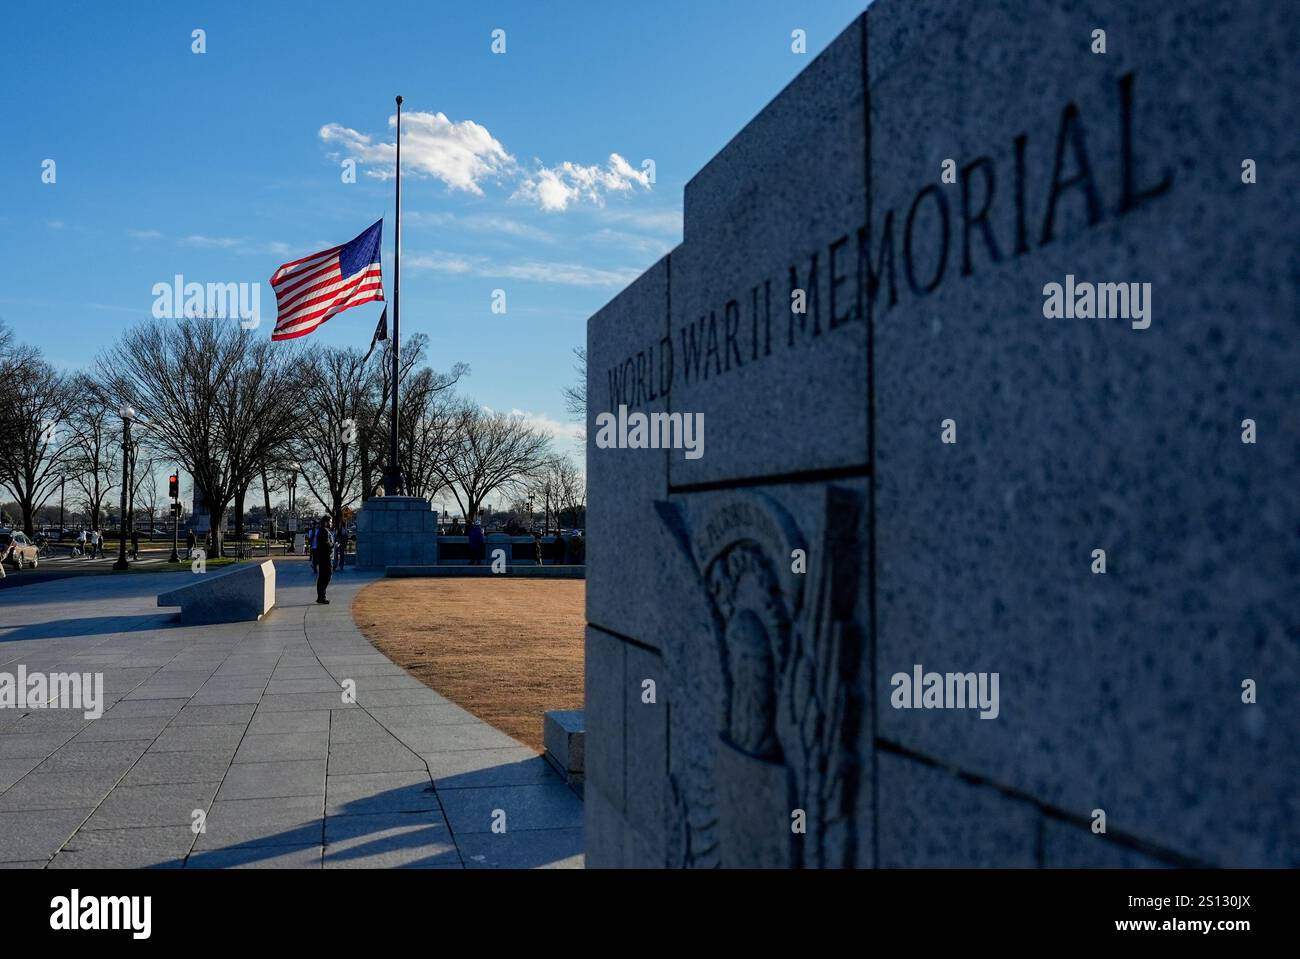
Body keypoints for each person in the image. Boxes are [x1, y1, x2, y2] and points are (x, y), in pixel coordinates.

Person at [312, 516, 335, 604]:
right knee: (326, 576)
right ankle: (321, 597)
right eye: (330, 521)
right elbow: (326, 544)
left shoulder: (323, 530)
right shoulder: (324, 531)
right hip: (325, 557)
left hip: (324, 557)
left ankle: (321, 596)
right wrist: (333, 544)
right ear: (326, 522)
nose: (331, 523)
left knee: (323, 577)